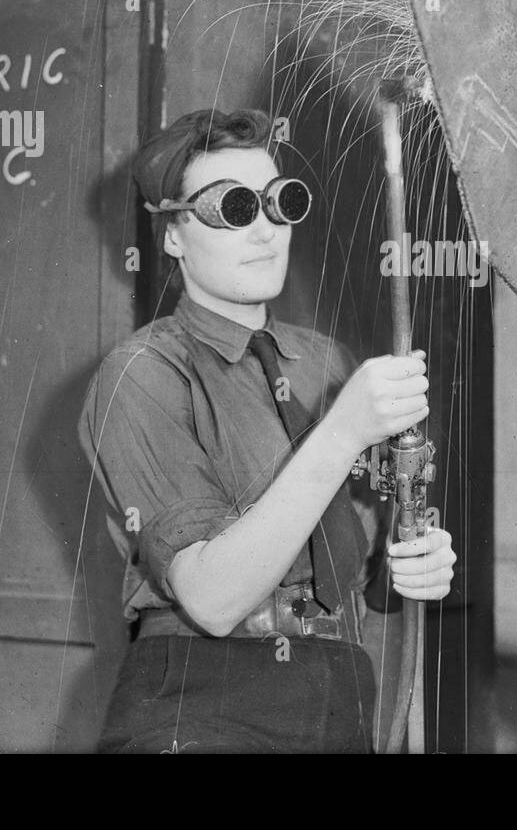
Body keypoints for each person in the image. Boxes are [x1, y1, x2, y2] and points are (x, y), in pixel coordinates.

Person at [80, 107, 455, 753]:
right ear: (172, 233)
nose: (265, 229)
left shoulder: (329, 365)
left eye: (281, 203)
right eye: (233, 206)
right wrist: (340, 434)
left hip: (339, 694)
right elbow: (212, 598)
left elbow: (358, 580)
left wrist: (414, 558)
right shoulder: (142, 374)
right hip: (205, 700)